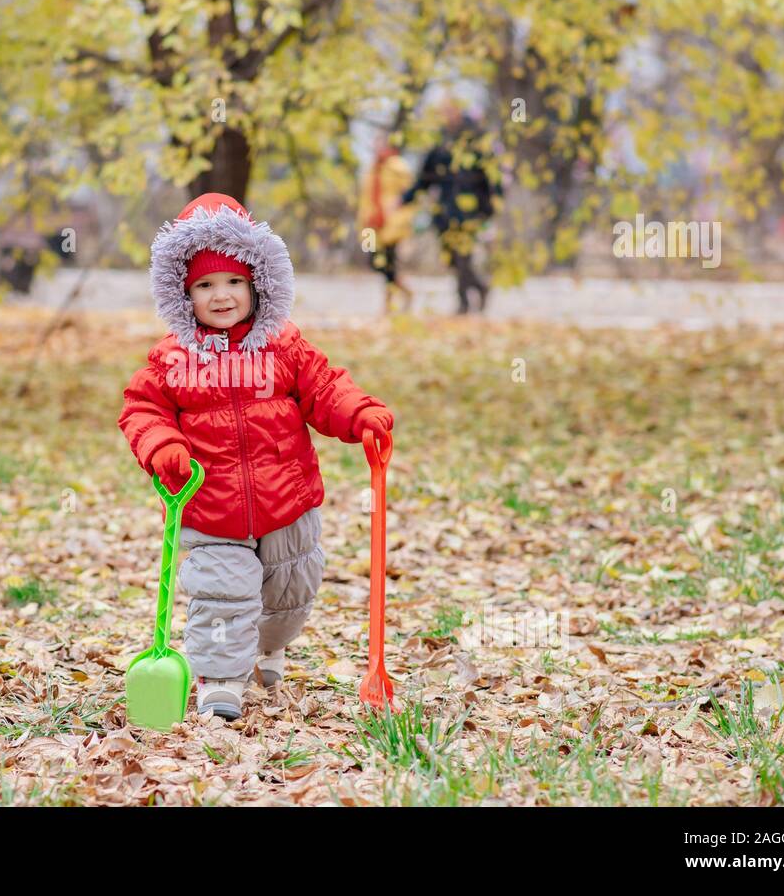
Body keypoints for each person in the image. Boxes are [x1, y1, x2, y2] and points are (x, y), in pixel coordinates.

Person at [119, 193, 395, 721]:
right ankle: (220, 679)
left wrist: (358, 414)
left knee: (289, 595)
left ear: (257, 284)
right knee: (222, 594)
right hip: (208, 506)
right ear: (183, 294)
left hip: (286, 502)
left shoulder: (285, 348)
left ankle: (269, 645)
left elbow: (326, 389)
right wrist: (164, 446)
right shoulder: (172, 359)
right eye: (204, 285)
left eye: (233, 282)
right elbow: (142, 410)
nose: (220, 296)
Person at [402, 110, 500, 314]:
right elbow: (425, 179)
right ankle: (479, 287)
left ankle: (464, 302)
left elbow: (491, 178)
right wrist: (406, 198)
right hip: (444, 212)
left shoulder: (477, 143)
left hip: (470, 211)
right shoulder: (440, 144)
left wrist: (489, 207)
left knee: (463, 256)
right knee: (452, 259)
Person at [356, 134, 417, 313]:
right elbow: (366, 197)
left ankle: (388, 305)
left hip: (391, 224)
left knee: (389, 263)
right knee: (374, 262)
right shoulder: (373, 168)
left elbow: (409, 196)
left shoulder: (398, 167)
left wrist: (401, 218)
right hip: (371, 225)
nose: (376, 147)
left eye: (380, 143)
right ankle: (405, 291)